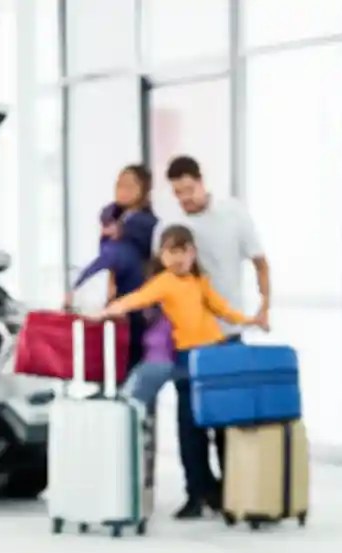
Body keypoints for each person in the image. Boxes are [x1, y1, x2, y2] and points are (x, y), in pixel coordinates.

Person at [93, 225, 269, 518]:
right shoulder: (164, 282)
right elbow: (137, 298)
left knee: (222, 427)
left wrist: (251, 320)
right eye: (171, 252)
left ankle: (226, 493)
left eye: (183, 251)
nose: (178, 258)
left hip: (214, 357)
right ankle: (197, 494)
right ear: (161, 256)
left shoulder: (200, 282)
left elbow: (223, 309)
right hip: (187, 361)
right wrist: (108, 311)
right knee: (190, 429)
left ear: (193, 253)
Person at [155, 155, 271, 519]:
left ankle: (230, 493)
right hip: (187, 341)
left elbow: (260, 262)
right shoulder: (170, 226)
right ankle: (197, 493)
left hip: (227, 336)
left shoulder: (232, 213)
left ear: (201, 181)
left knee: (227, 419)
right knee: (188, 420)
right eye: (177, 193)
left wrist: (264, 307)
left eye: (188, 190)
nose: (184, 198)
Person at [66, 164, 158, 373]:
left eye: (130, 185)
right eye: (119, 185)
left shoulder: (145, 224)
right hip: (110, 299)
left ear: (144, 190)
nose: (123, 190)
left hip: (134, 300)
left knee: (130, 359)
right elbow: (104, 260)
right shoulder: (112, 218)